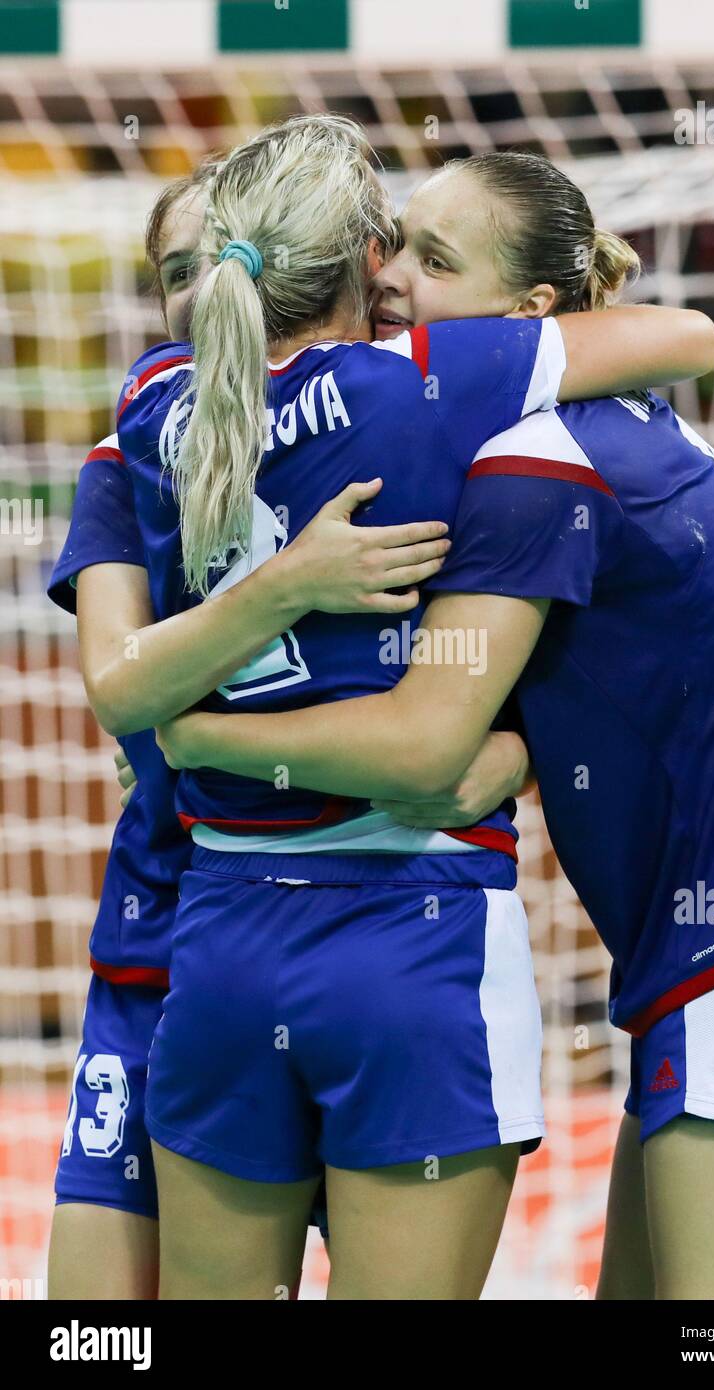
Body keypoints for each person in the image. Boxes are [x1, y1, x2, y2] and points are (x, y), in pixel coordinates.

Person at [161, 150, 714, 1302]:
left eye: (435, 263)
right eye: (395, 245)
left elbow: (427, 750)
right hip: (698, 931)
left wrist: (194, 732)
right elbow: (527, 730)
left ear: (529, 310)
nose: (389, 278)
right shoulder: (564, 417)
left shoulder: (536, 459)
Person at [46, 159, 452, 1299]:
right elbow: (123, 686)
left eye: (216, 260)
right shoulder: (134, 447)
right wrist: (287, 582)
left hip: (348, 914)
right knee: (96, 1325)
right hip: (173, 921)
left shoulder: (382, 410)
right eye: (175, 270)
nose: (197, 290)